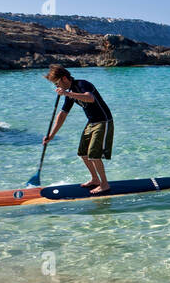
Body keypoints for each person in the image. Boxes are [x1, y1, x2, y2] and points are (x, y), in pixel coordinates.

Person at [42, 65, 115, 194]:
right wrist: (51, 135)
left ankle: (104, 184)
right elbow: (63, 114)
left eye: (56, 83)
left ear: (64, 78)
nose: (56, 87)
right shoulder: (69, 93)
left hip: (103, 121)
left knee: (94, 155)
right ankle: (95, 179)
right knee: (83, 153)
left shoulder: (82, 84)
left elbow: (90, 98)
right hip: (91, 122)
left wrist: (66, 93)